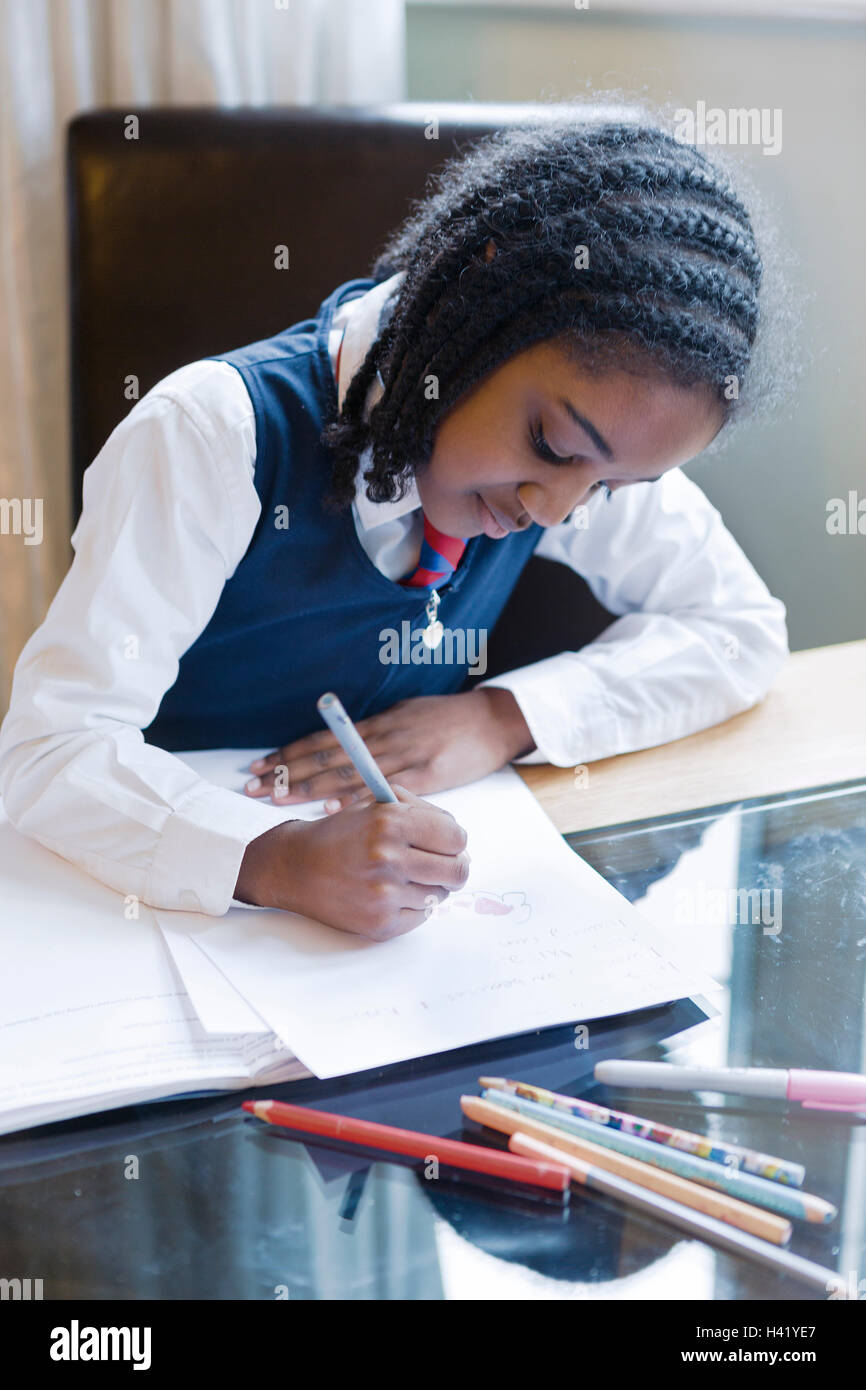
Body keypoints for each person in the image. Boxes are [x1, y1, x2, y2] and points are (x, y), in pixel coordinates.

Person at [0, 116, 787, 939]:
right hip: (152, 912)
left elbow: (738, 629)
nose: (555, 508)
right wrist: (277, 858)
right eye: (550, 446)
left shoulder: (586, 456)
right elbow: (54, 748)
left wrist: (504, 717)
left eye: (614, 486)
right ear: (482, 317)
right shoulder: (211, 436)